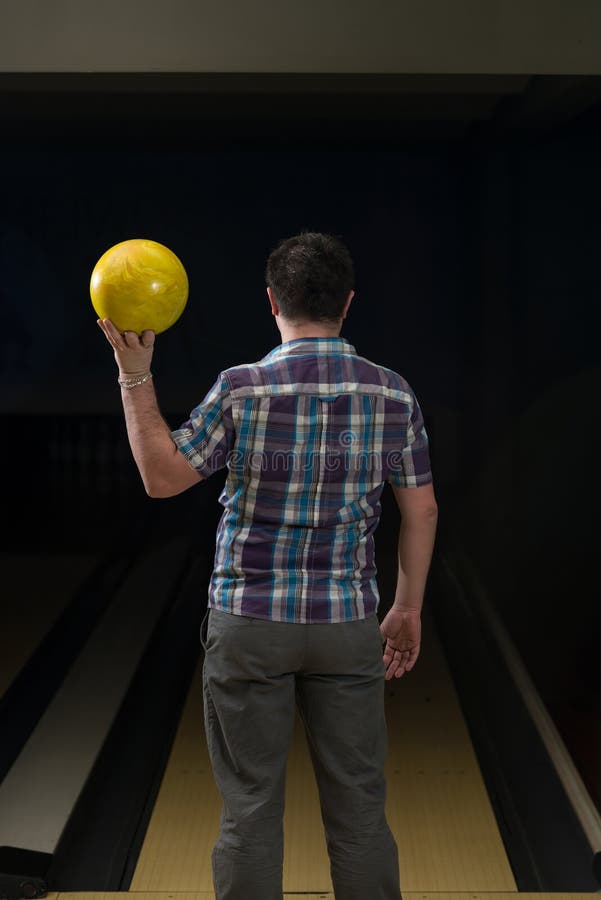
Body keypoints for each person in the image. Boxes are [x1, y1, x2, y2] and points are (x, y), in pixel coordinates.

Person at [97, 230, 438, 900]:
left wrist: (134, 376)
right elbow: (420, 513)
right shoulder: (392, 396)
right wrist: (405, 607)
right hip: (345, 625)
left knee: (250, 810)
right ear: (348, 302)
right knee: (361, 813)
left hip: (248, 624)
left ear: (270, 302)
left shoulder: (241, 389)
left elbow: (163, 479)